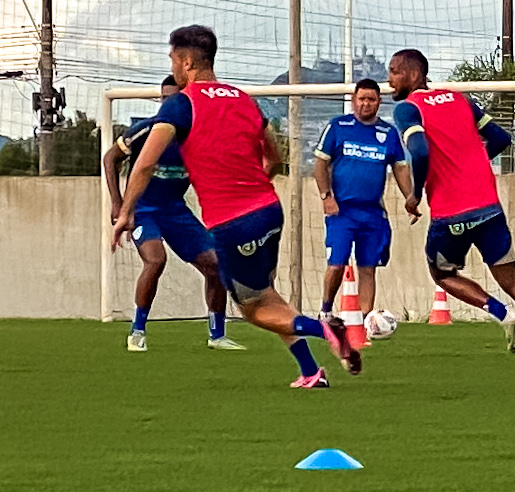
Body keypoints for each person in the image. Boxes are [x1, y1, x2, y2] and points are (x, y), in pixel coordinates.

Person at [113, 25, 357, 388]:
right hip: (270, 211)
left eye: (173, 59)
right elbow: (275, 157)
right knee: (268, 295)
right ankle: (310, 372)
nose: (173, 66)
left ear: (187, 61)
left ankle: (323, 329)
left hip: (233, 222)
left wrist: (126, 212)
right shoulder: (244, 99)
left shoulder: (182, 104)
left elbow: (145, 163)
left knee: (255, 309)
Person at [386, 48, 515, 368]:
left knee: (442, 274)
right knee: (513, 280)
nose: (389, 79)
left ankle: (502, 314)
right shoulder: (460, 99)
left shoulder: (407, 109)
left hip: (451, 214)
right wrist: (469, 163)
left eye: (394, 71)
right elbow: (500, 138)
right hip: (488, 206)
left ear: (414, 75)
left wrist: (415, 194)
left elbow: (418, 152)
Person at [103, 75, 242, 352]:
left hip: (175, 211)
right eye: (164, 98)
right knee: (156, 260)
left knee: (216, 265)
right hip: (143, 210)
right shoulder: (147, 131)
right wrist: (118, 204)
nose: (166, 104)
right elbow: (110, 158)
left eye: (173, 99)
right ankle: (137, 331)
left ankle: (217, 335)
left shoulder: (200, 137)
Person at [314, 79, 412, 325]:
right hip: (342, 212)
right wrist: (326, 196)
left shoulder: (388, 133)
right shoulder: (338, 126)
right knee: (337, 264)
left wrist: (410, 198)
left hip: (373, 214)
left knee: (368, 269)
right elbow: (320, 164)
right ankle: (326, 312)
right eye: (362, 99)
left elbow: (400, 168)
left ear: (379, 102)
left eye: (371, 99)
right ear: (354, 100)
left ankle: (366, 322)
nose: (366, 104)